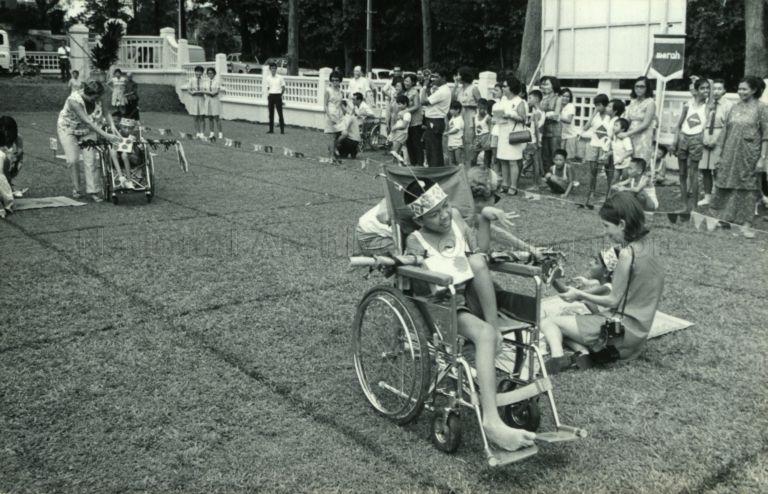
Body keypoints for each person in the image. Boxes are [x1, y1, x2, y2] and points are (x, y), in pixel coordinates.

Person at [402, 178, 537, 451]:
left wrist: (485, 219)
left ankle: (492, 325)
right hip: (444, 302)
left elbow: (482, 255)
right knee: (484, 333)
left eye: (444, 207)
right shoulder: (415, 240)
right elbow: (420, 286)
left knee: (476, 259)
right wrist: (440, 272)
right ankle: (491, 420)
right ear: (419, 218)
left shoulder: (454, 220)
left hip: (474, 297)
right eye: (433, 214)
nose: (442, 216)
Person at [541, 192, 665, 373]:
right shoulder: (650, 246)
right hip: (638, 335)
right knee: (568, 324)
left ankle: (558, 358)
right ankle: (582, 352)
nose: (605, 232)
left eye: (606, 226)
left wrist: (579, 294)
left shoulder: (627, 254)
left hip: (618, 334)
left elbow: (613, 300)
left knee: (549, 322)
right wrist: (592, 288)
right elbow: (629, 288)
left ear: (622, 224)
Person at [709, 76, 768, 239]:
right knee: (725, 183)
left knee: (748, 188)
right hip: (730, 152)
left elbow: (766, 135)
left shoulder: (762, 108)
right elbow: (725, 132)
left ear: (754, 90)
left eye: (744, 89)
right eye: (739, 88)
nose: (741, 92)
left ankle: (746, 224)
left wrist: (762, 158)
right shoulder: (734, 108)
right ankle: (724, 219)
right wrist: (719, 154)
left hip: (750, 154)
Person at [57, 81, 120, 202]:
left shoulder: (100, 97)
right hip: (68, 128)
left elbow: (106, 113)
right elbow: (87, 121)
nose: (97, 100)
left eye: (98, 97)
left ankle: (94, 191)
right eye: (95, 98)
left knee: (90, 159)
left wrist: (112, 126)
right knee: (73, 159)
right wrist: (106, 135)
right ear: (88, 94)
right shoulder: (74, 101)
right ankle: (77, 188)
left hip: (88, 130)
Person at [673, 78, 710, 212]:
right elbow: (678, 125)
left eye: (707, 88)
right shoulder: (687, 104)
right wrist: (674, 141)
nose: (705, 90)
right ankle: (684, 206)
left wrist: (699, 79)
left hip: (696, 140)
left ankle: (694, 208)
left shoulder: (708, 105)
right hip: (683, 138)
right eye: (702, 88)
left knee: (693, 174)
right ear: (696, 90)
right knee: (682, 173)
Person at [699, 79, 733, 206]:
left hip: (719, 135)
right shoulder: (707, 103)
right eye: (715, 89)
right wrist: (703, 137)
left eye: (720, 89)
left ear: (724, 91)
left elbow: (728, 125)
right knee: (705, 169)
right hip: (706, 135)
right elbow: (702, 121)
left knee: (718, 169)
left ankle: (719, 196)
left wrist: (716, 140)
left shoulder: (728, 105)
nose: (716, 91)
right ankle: (707, 196)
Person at [493, 77, 528, 194]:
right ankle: (505, 184)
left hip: (514, 134)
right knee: (503, 159)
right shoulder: (503, 101)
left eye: (505, 86)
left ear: (511, 88)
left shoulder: (519, 102)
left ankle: (513, 186)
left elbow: (524, 119)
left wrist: (511, 116)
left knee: (513, 161)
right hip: (503, 131)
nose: (503, 88)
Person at [581, 94, 612, 209]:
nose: (597, 107)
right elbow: (585, 128)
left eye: (599, 105)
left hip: (605, 146)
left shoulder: (610, 117)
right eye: (596, 105)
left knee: (608, 170)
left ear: (605, 105)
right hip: (594, 144)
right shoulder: (595, 116)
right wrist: (593, 114)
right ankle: (592, 191)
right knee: (593, 171)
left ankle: (609, 193)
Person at [620, 76, 656, 164]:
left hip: (643, 135)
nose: (639, 89)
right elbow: (627, 119)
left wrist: (627, 133)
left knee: (639, 162)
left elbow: (646, 124)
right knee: (629, 160)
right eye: (637, 86)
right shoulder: (633, 102)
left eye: (642, 86)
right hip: (630, 134)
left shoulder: (650, 103)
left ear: (647, 88)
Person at [420, 67, 452, 166]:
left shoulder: (442, 91)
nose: (434, 79)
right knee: (433, 148)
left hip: (435, 121)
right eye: (433, 77)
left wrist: (424, 86)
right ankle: (435, 170)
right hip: (435, 120)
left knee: (433, 149)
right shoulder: (441, 90)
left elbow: (423, 101)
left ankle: (435, 171)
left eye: (437, 77)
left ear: (443, 78)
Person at [455, 66, 482, 165]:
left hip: (470, 117)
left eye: (459, 75)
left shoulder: (473, 88)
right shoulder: (459, 89)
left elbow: (481, 104)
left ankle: (470, 164)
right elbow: (454, 100)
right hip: (460, 117)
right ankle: (462, 164)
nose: (457, 77)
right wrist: (455, 85)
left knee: (469, 141)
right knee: (459, 140)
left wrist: (470, 105)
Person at [108, 112, 140, 190]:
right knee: (112, 151)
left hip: (131, 155)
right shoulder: (116, 132)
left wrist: (134, 140)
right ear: (121, 126)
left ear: (132, 129)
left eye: (129, 128)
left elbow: (138, 147)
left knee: (124, 155)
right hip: (117, 155)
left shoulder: (134, 135)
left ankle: (129, 180)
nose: (127, 130)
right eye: (125, 128)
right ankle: (121, 176)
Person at [522, 89, 545, 188]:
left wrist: (537, 142)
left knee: (535, 163)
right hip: (535, 139)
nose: (528, 100)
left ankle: (536, 184)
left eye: (530, 98)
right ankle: (538, 182)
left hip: (534, 140)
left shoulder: (537, 113)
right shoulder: (540, 111)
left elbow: (536, 128)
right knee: (535, 161)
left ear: (536, 99)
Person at [539, 76, 562, 170]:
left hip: (554, 132)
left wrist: (545, 114)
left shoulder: (558, 98)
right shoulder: (542, 98)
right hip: (543, 130)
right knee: (545, 156)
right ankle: (547, 176)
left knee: (554, 155)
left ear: (554, 85)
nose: (544, 86)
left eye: (547, 84)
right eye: (543, 84)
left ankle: (557, 175)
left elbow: (556, 115)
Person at [403, 74, 424, 167]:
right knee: (409, 143)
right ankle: (413, 163)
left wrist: (406, 110)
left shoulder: (414, 92)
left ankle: (420, 163)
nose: (405, 83)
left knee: (416, 143)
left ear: (413, 82)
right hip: (408, 122)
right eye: (405, 81)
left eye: (407, 81)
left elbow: (416, 106)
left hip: (416, 121)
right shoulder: (406, 92)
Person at [324, 70, 344, 163]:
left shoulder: (340, 91)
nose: (335, 82)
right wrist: (329, 116)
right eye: (333, 80)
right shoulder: (328, 90)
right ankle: (331, 156)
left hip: (338, 115)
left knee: (339, 135)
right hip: (331, 114)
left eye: (337, 80)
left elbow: (340, 104)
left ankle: (332, 150)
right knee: (331, 136)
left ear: (340, 80)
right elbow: (325, 105)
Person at [388, 94, 411, 163]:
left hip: (402, 133)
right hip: (399, 133)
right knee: (397, 149)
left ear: (405, 104)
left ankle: (399, 161)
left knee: (395, 150)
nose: (398, 106)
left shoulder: (407, 114)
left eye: (400, 104)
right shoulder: (401, 112)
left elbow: (404, 125)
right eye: (398, 104)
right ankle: (396, 161)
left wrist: (395, 128)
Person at [265, 61, 286, 134]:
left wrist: (280, 95)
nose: (273, 70)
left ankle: (282, 130)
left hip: (278, 96)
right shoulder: (268, 78)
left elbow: (283, 87)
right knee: (271, 114)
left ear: (276, 69)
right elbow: (268, 88)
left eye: (274, 68)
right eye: (272, 68)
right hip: (271, 96)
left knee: (280, 113)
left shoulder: (280, 77)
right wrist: (271, 93)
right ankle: (271, 130)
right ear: (270, 69)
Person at [187, 65, 207, 139]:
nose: (198, 74)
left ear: (202, 73)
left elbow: (206, 90)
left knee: (202, 117)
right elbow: (189, 90)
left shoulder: (204, 80)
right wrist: (192, 93)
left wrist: (203, 92)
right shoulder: (191, 80)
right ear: (195, 72)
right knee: (195, 117)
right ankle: (197, 133)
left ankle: (202, 133)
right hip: (194, 99)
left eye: (200, 72)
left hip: (201, 99)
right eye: (197, 72)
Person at [204, 67, 223, 139]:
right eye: (208, 73)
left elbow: (217, 92)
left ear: (214, 74)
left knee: (216, 117)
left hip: (214, 100)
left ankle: (220, 133)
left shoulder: (217, 82)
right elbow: (205, 91)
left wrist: (212, 93)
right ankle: (212, 133)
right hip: (208, 100)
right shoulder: (206, 82)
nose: (210, 74)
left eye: (211, 73)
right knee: (210, 117)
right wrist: (208, 93)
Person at [473, 98, 493, 167]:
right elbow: (473, 128)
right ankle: (474, 172)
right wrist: (473, 138)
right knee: (473, 157)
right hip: (477, 137)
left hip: (486, 137)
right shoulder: (475, 117)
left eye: (483, 108)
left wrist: (489, 140)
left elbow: (491, 130)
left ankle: (487, 173)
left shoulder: (488, 117)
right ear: (478, 107)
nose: (482, 110)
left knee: (487, 159)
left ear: (486, 107)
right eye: (480, 108)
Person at [559, 88, 577, 160]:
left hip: (570, 135)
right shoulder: (558, 106)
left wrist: (557, 117)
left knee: (569, 158)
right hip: (561, 135)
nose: (565, 98)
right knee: (560, 157)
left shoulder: (570, 106)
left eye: (567, 97)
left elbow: (569, 120)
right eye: (563, 96)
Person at [445, 101, 464, 166]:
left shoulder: (459, 119)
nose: (450, 111)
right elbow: (449, 126)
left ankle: (461, 174)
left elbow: (456, 129)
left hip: (457, 143)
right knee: (452, 161)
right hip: (451, 143)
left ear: (457, 110)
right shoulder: (452, 118)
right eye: (450, 109)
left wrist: (447, 133)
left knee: (458, 161)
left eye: (452, 109)